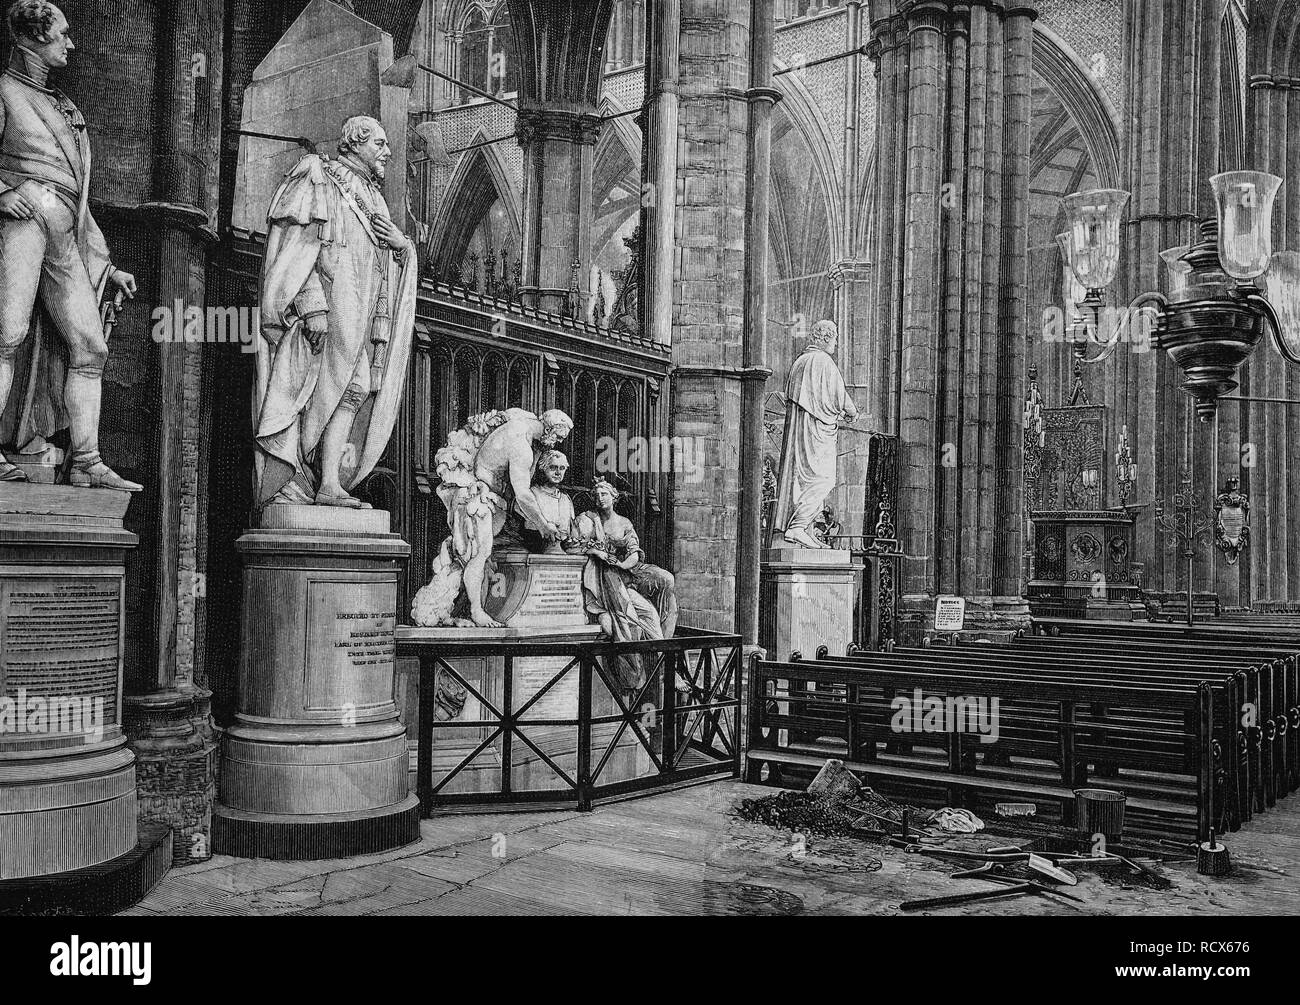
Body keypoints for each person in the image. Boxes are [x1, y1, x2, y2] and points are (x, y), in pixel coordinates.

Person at [0, 1, 139, 488]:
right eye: (61, 34)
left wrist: (107, 265)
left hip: (62, 227)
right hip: (20, 220)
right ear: (33, 37)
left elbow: (78, 200)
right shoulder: (3, 91)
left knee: (90, 348)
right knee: (6, 334)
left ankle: (85, 462)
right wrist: (5, 191)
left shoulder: (65, 106)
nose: (71, 44)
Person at [254, 115, 417, 508]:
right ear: (354, 143)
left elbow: (379, 262)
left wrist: (402, 245)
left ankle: (328, 483)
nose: (388, 152)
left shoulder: (373, 196)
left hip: (357, 314)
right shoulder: (319, 175)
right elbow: (297, 249)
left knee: (355, 386)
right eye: (379, 144)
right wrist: (311, 306)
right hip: (327, 310)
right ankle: (293, 479)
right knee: (307, 389)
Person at [411, 408, 574, 628]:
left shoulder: (521, 417)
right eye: (558, 438)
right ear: (548, 429)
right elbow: (523, 494)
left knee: (470, 557)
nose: (555, 444)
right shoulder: (522, 447)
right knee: (480, 554)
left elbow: (489, 421)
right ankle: (476, 612)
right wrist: (543, 525)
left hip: (487, 497)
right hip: (478, 497)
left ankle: (457, 611)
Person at [770, 319, 858, 548]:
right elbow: (841, 397)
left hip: (801, 438)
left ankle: (802, 528)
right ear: (826, 338)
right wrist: (852, 413)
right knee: (824, 479)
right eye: (835, 338)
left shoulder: (800, 363)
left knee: (802, 481)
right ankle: (798, 526)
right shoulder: (823, 362)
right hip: (817, 437)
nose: (836, 344)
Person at [582, 477, 677, 638]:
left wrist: (622, 564)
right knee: (635, 614)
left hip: (627, 568)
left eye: (604, 494)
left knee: (666, 579)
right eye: (596, 495)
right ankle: (650, 647)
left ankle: (663, 638)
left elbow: (634, 552)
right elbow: (580, 545)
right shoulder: (589, 519)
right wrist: (598, 553)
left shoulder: (624, 522)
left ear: (614, 497)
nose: (600, 498)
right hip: (606, 575)